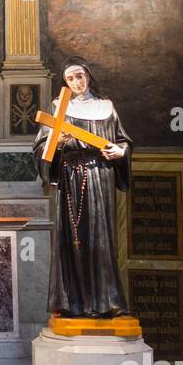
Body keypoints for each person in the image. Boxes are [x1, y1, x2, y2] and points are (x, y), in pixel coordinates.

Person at [33, 60, 132, 317]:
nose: (77, 82)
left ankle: (107, 302)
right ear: (65, 83)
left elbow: (122, 140)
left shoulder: (106, 107)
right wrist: (60, 143)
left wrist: (120, 151)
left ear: (88, 75)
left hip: (101, 176)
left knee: (101, 240)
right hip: (71, 177)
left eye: (80, 76)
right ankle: (72, 303)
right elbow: (42, 147)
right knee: (74, 239)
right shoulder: (59, 108)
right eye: (71, 79)